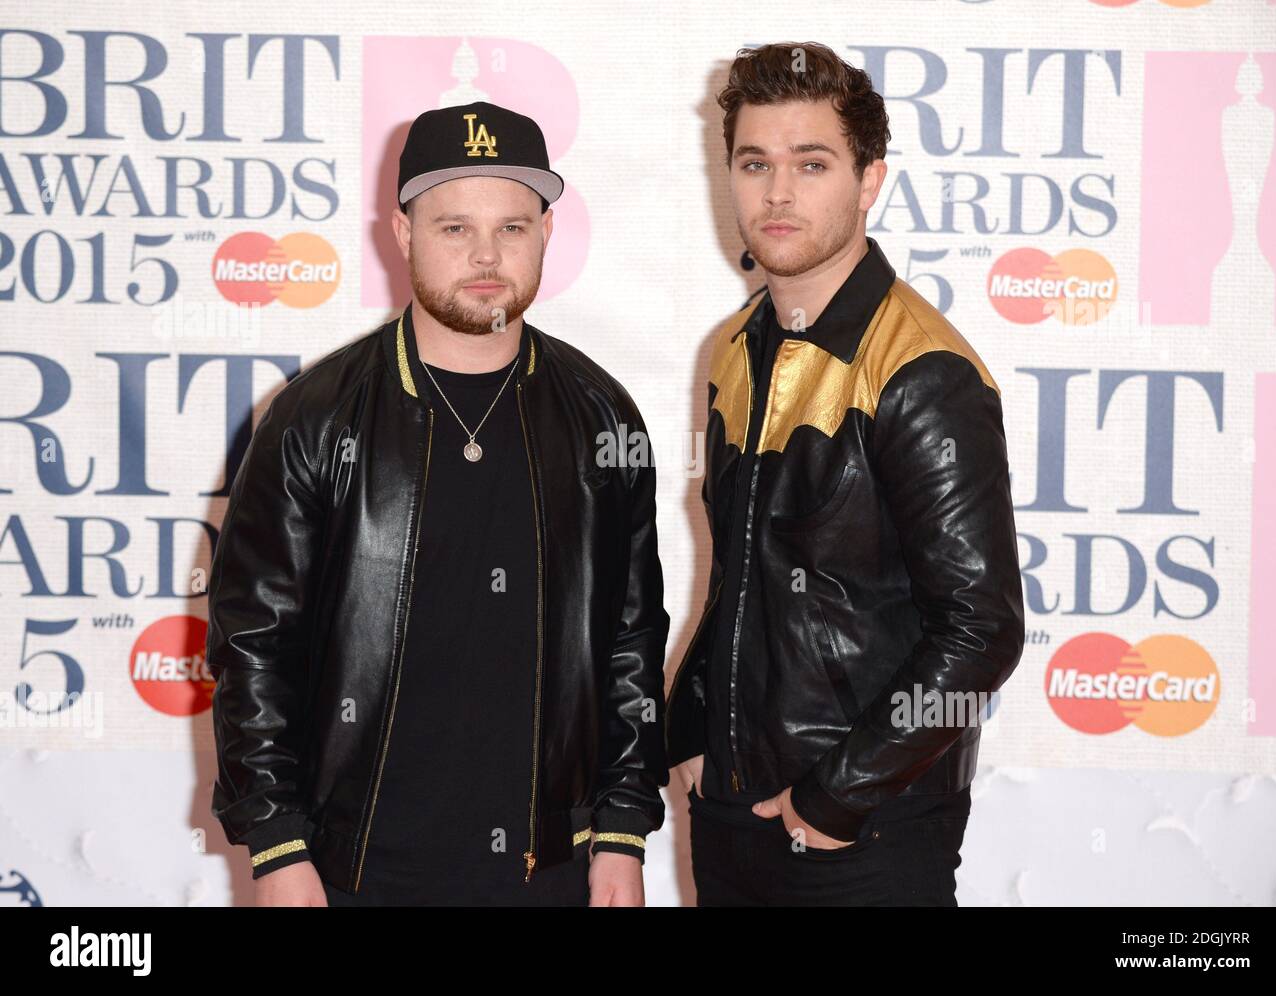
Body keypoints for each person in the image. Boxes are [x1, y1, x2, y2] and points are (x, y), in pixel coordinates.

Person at [207, 101, 669, 907]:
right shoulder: (315, 418)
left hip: (548, 868)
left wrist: (622, 830)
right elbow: (254, 645)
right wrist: (277, 847)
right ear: (402, 232)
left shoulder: (602, 416)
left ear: (547, 233)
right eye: (454, 227)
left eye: (513, 228)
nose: (486, 254)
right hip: (352, 867)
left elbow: (630, 639)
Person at [665, 43, 1026, 906]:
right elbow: (742, 575)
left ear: (869, 182)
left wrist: (838, 794)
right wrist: (688, 728)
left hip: (863, 835)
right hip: (730, 812)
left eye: (812, 164)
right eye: (755, 164)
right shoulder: (733, 349)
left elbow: (983, 630)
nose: (777, 193)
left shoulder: (922, 371)